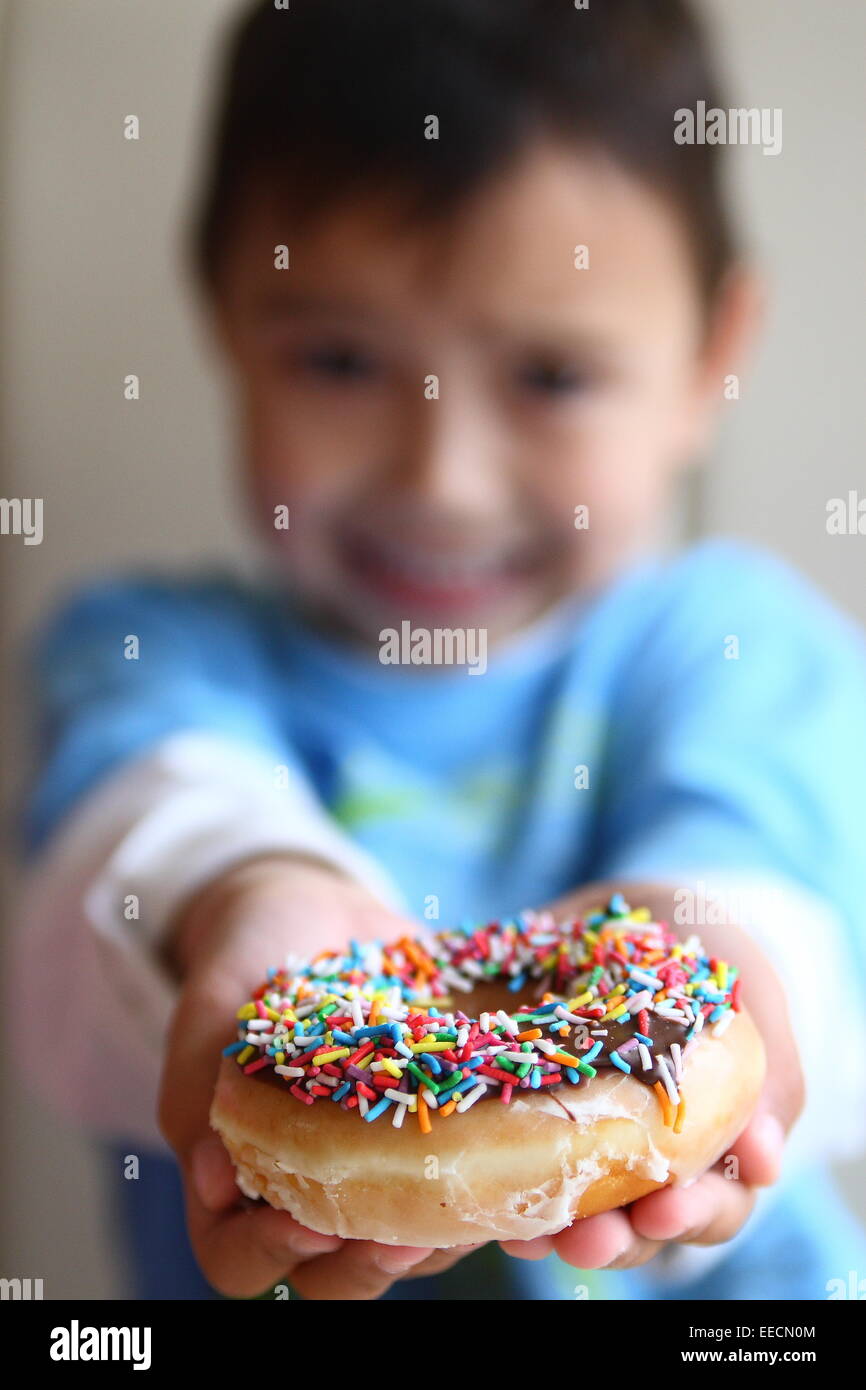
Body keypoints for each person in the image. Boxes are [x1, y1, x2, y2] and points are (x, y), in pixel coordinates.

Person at [14, 0, 866, 1301]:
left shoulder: (736, 647)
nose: (442, 478)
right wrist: (242, 893)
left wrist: (706, 939)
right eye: (343, 359)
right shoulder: (149, 650)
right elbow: (135, 842)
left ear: (710, 358)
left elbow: (778, 886)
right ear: (224, 322)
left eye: (551, 376)